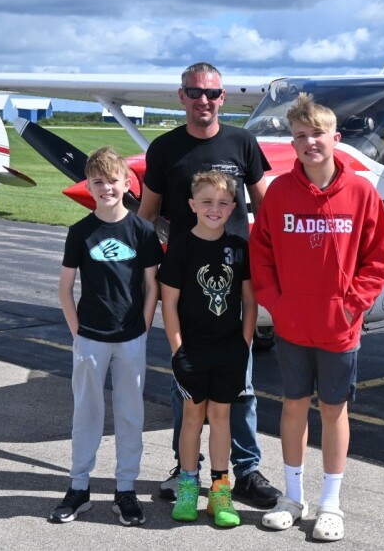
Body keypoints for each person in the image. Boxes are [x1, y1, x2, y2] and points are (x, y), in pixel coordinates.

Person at [139, 61, 281, 508]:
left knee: (241, 389)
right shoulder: (164, 149)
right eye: (195, 93)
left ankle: (246, 470)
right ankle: (187, 471)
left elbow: (268, 211)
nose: (205, 101)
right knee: (186, 387)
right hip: (186, 283)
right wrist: (135, 273)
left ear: (223, 98)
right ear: (181, 96)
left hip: (234, 276)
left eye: (213, 94)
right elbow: (146, 216)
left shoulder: (243, 142)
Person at [249, 94, 384, 542]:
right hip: (293, 325)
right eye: (300, 136)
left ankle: (331, 503)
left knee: (333, 410)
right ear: (293, 141)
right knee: (293, 407)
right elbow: (262, 255)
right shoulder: (279, 193)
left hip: (339, 327)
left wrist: (352, 305)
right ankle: (293, 498)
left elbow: (376, 261)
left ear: (336, 137)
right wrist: (277, 303)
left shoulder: (363, 192)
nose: (310, 142)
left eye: (317, 134)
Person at [50, 147, 162, 527]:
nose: (106, 188)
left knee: (131, 415)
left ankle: (125, 489)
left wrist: (144, 329)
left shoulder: (143, 231)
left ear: (127, 183)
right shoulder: (80, 232)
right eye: (97, 181)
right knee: (87, 413)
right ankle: (79, 488)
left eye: (113, 180)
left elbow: (151, 285)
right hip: (91, 337)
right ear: (89, 185)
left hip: (131, 337)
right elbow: (66, 287)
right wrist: (76, 331)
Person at [158, 171, 257, 526]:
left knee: (221, 418)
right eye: (206, 202)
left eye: (222, 203)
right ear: (192, 205)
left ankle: (220, 491)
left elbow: (248, 301)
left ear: (232, 207)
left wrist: (244, 344)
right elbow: (168, 303)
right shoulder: (181, 247)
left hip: (229, 349)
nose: (214, 209)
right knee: (191, 417)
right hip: (193, 349)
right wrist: (177, 348)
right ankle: (188, 485)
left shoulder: (239, 248)